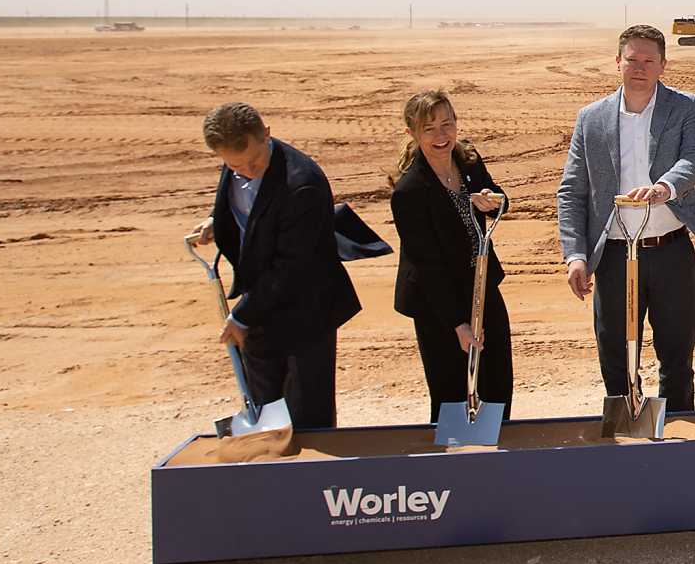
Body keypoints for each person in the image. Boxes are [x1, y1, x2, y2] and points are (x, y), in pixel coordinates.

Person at [556, 24, 695, 413]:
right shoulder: (591, 118)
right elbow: (572, 191)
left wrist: (665, 187)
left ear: (663, 65)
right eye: (632, 60)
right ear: (618, 62)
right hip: (615, 256)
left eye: (649, 60)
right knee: (616, 358)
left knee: (677, 359)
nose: (640, 68)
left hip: (671, 253)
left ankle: (681, 433)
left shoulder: (685, 106)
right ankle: (625, 442)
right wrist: (576, 256)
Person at [191, 102, 362, 429]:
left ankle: (313, 477)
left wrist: (241, 316)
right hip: (262, 304)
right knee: (267, 406)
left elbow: (292, 267)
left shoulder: (302, 184)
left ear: (266, 134)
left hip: (307, 310)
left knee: (308, 414)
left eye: (254, 163)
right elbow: (248, 206)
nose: (247, 172)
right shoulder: (238, 159)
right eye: (235, 167)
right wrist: (219, 221)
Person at [389, 90, 512, 423]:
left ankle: (498, 459)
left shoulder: (468, 160)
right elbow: (426, 266)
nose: (441, 136)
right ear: (412, 133)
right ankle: (454, 465)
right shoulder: (409, 192)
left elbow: (499, 197)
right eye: (429, 129)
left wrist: (493, 199)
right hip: (437, 303)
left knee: (497, 382)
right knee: (452, 393)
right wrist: (457, 324)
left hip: (482, 285)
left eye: (447, 124)